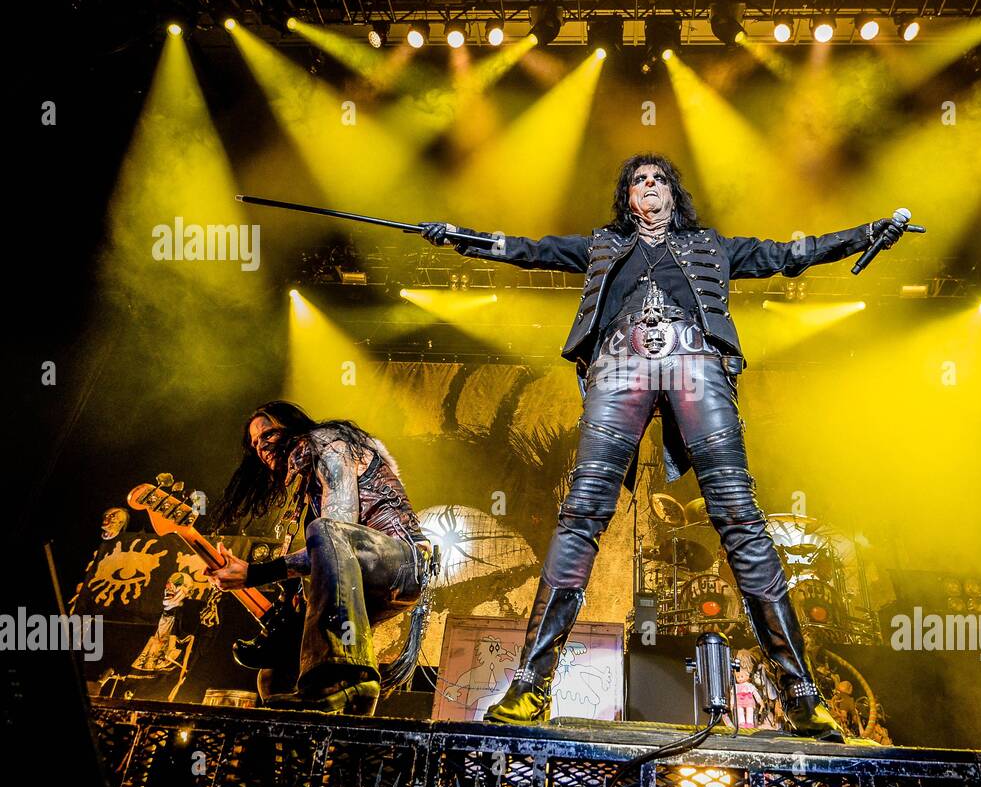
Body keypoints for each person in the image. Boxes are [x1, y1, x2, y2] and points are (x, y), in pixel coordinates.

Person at [420, 153, 913, 740]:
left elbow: (790, 256)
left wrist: (866, 234)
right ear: (627, 198)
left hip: (695, 367)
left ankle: (803, 693)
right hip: (620, 367)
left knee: (739, 516)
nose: (646, 187)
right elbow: (529, 249)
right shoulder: (602, 246)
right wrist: (460, 238)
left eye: (656, 179)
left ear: (673, 193)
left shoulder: (712, 246)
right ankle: (531, 682)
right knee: (581, 517)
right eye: (636, 181)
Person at [206, 401, 435, 715]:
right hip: (359, 575)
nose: (262, 446)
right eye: (256, 443)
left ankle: (342, 674)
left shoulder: (330, 445)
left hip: (401, 563)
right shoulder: (306, 480)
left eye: (269, 434)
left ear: (293, 427)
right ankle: (347, 716)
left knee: (325, 529)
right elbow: (328, 554)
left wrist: (256, 574)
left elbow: (337, 533)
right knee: (278, 673)